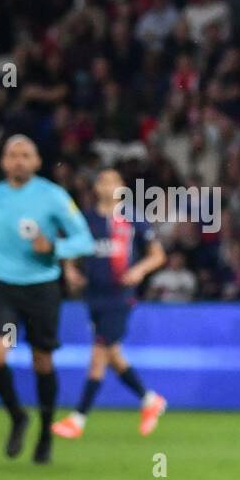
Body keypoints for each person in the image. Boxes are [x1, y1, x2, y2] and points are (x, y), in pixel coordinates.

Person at [0, 135, 94, 463]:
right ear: (3, 162)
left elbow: (84, 240)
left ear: (37, 162)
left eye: (25, 155)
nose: (18, 160)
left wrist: (55, 247)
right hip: (4, 287)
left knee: (42, 361)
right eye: (12, 155)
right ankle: (17, 415)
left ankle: (45, 431)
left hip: (42, 289)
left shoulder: (53, 196)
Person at [52, 169, 168, 439]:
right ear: (96, 188)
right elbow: (71, 248)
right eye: (104, 182)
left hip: (120, 296)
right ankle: (150, 399)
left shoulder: (133, 219)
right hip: (93, 295)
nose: (109, 187)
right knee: (112, 353)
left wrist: (139, 270)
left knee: (99, 354)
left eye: (114, 182)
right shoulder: (86, 220)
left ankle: (78, 418)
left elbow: (157, 255)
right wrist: (70, 269)